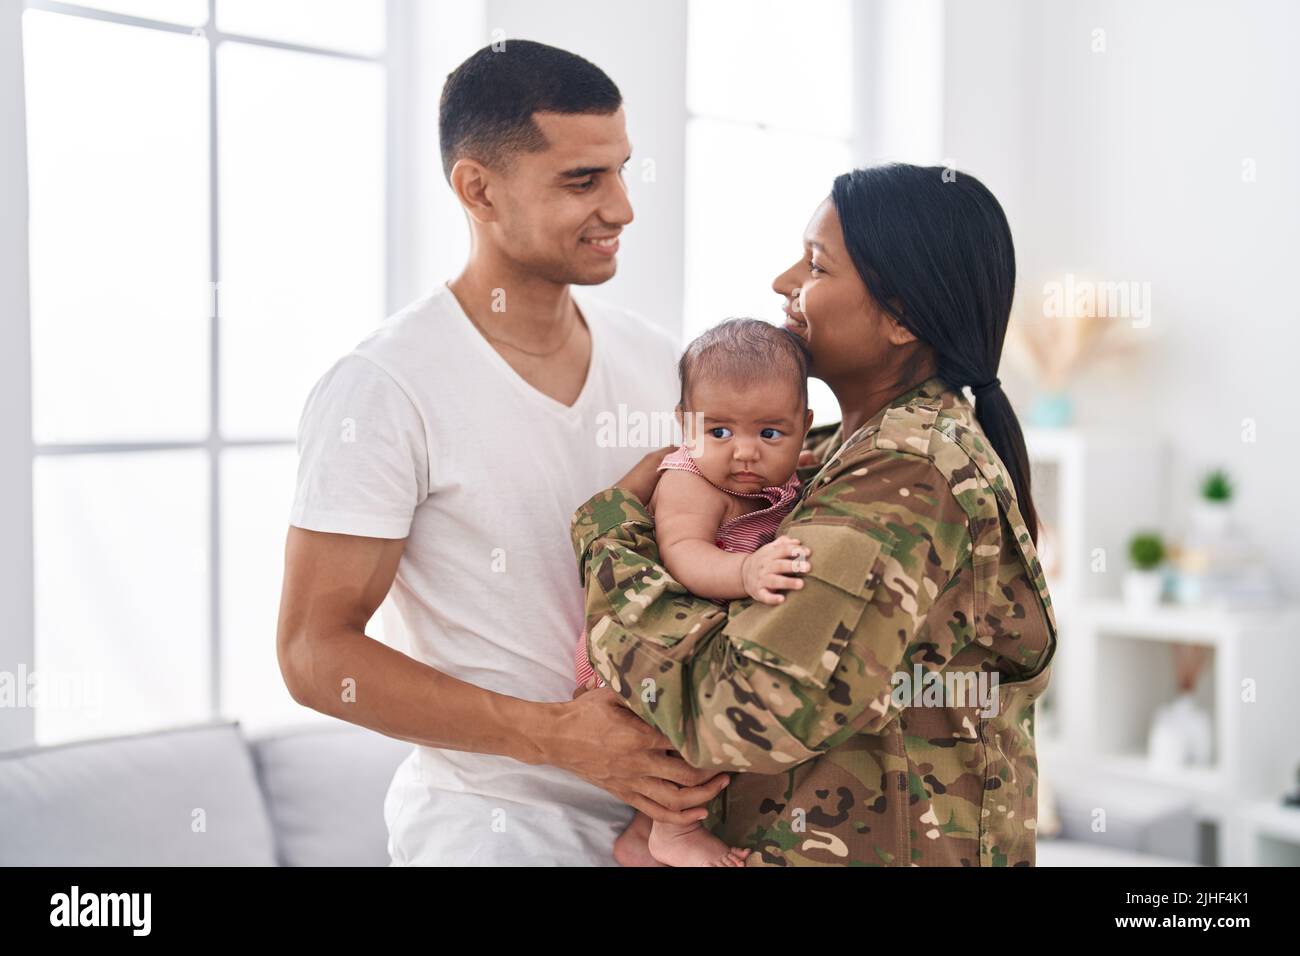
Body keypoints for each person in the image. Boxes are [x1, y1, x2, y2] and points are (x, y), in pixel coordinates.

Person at [276, 40, 729, 866]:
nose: (624, 207)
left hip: (664, 835)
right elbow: (313, 653)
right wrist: (559, 737)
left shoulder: (662, 362)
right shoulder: (385, 386)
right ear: (478, 189)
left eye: (623, 170)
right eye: (583, 180)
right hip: (491, 831)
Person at [572, 163, 1059, 866]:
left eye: (816, 264)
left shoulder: (908, 471)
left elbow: (742, 710)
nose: (783, 282)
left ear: (901, 317)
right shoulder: (831, 456)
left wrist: (608, 533)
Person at [576, 319, 814, 866]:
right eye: (720, 433)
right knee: (686, 730)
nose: (745, 453)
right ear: (685, 424)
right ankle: (672, 833)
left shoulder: (775, 479)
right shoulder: (691, 480)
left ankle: (640, 836)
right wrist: (747, 571)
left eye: (770, 434)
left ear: (804, 429)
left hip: (696, 636)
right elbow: (683, 556)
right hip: (648, 646)